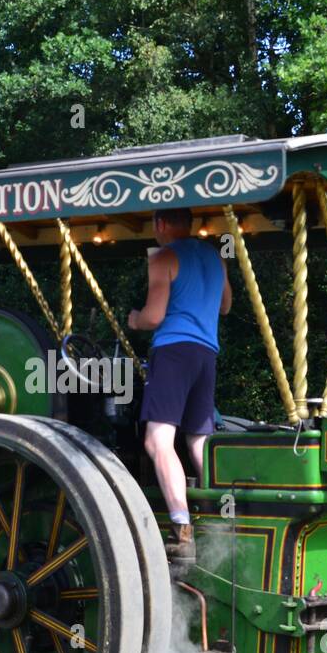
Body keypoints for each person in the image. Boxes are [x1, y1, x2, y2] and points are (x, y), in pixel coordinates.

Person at [128, 207, 231, 566]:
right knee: (198, 439)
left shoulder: (163, 257)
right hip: (206, 354)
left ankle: (181, 528)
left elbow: (154, 316)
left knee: (157, 440)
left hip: (173, 351)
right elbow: (226, 306)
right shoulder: (215, 257)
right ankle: (223, 518)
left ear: (160, 223)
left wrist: (135, 319)